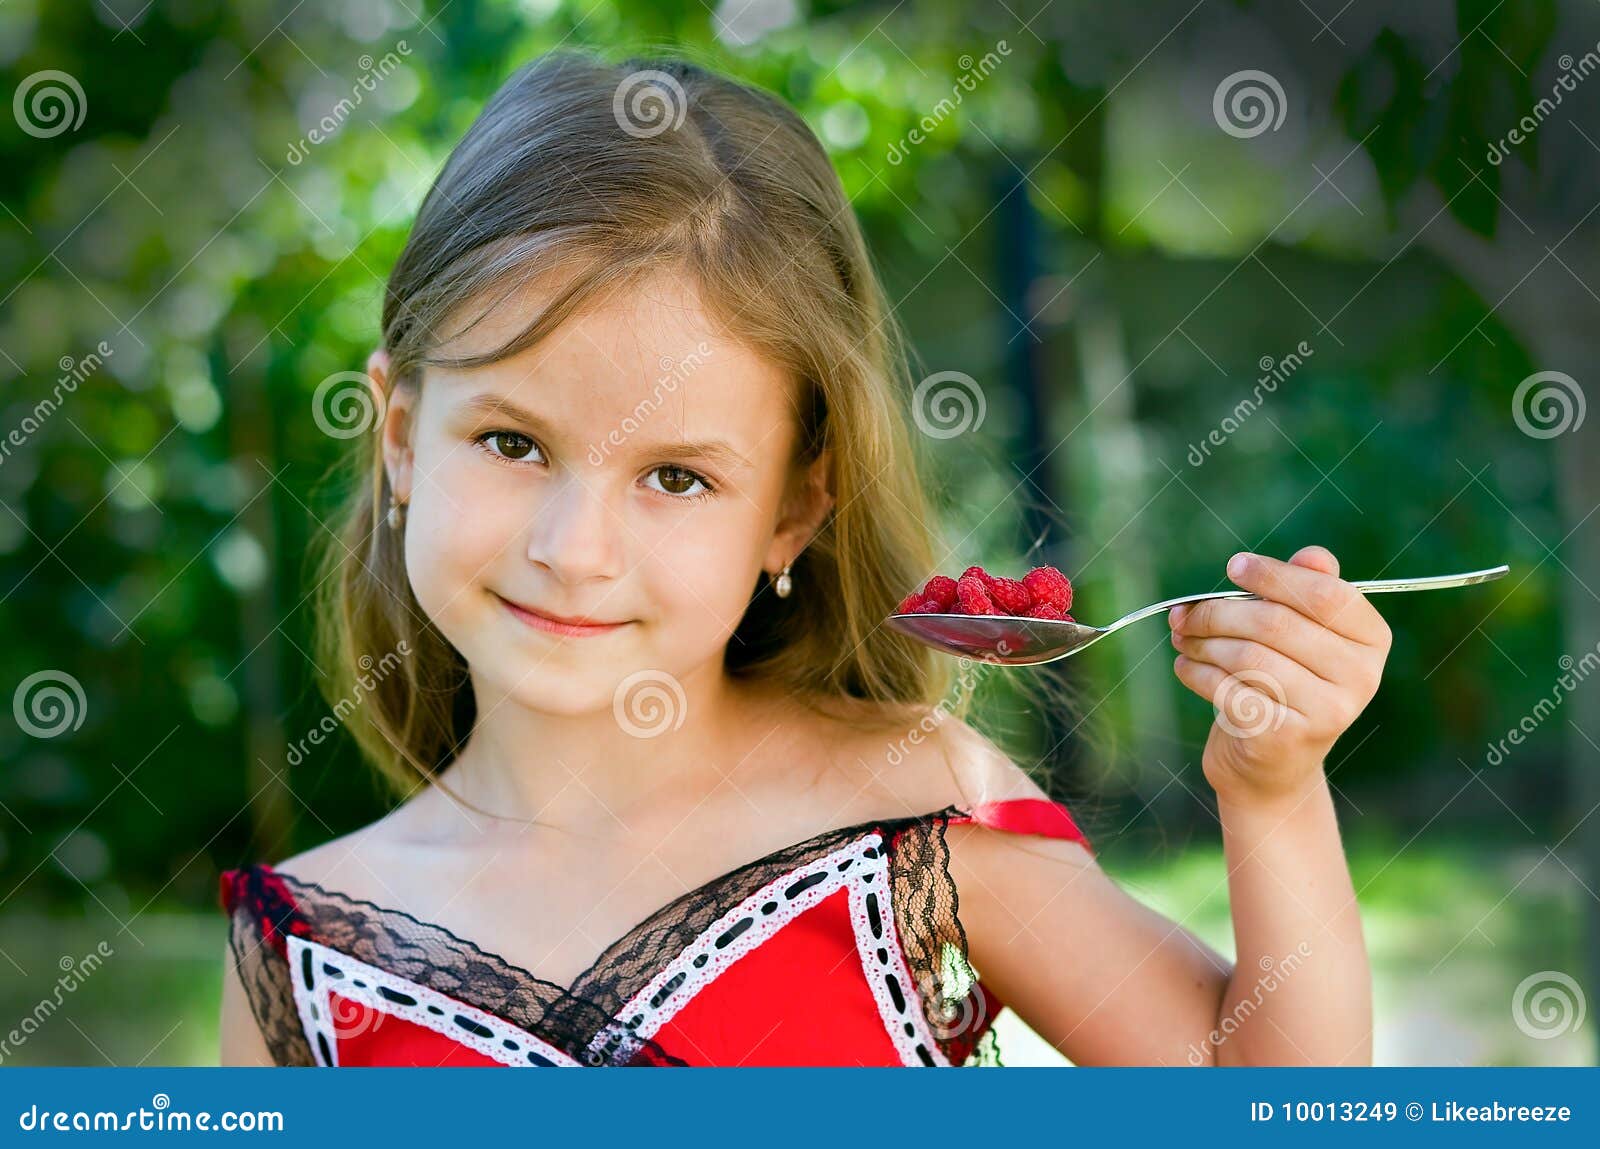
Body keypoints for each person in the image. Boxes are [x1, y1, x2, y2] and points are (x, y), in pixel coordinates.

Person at [218, 50, 1390, 1067]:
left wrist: (1273, 790)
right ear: (403, 434)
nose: (573, 550)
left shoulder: (920, 811)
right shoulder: (304, 953)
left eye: (676, 476)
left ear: (793, 508)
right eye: (513, 441)